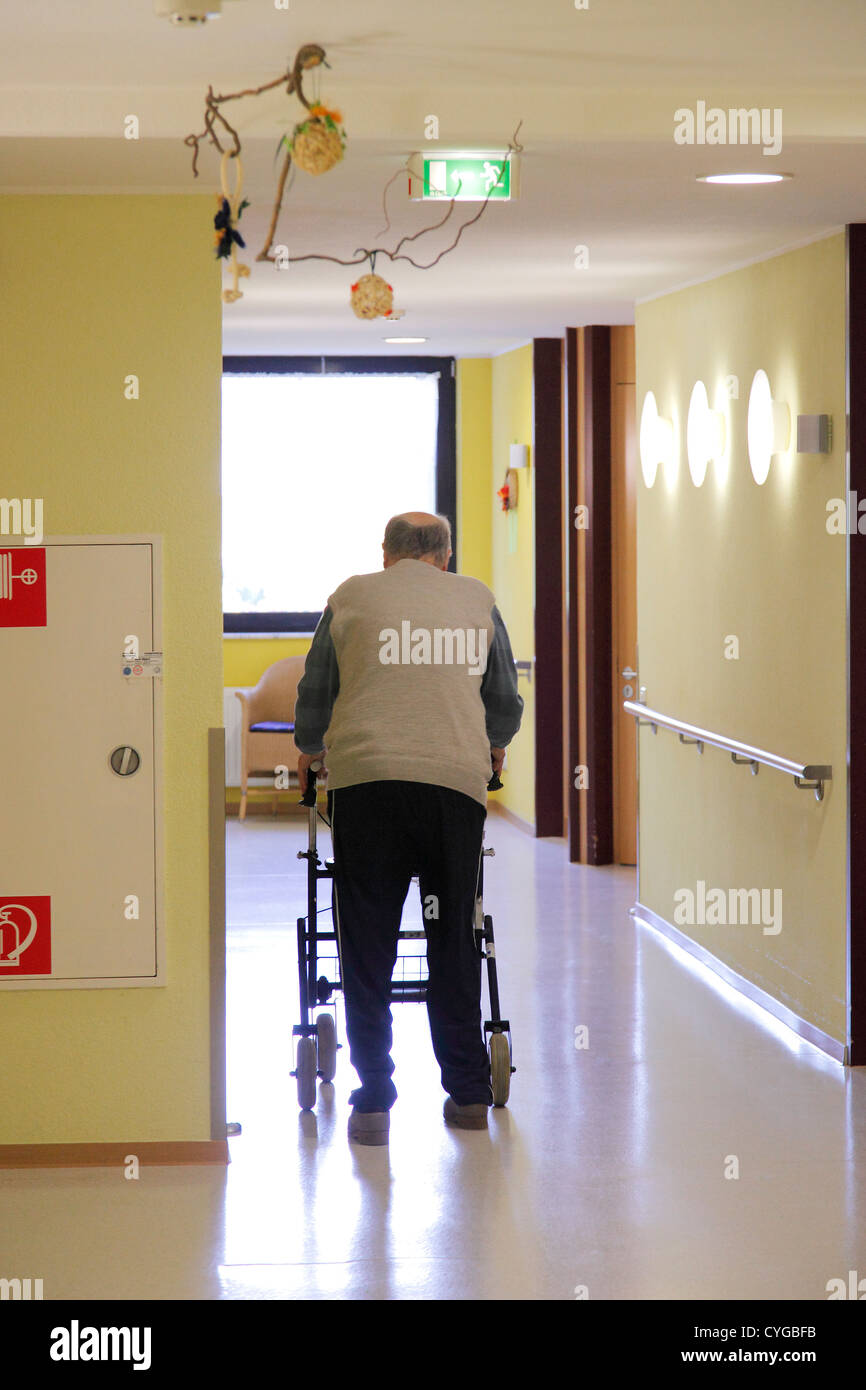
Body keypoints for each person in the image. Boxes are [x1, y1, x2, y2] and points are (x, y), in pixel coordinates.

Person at [293, 511, 524, 1145]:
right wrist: (493, 746)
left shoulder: (350, 596)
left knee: (366, 940)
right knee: (453, 933)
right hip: (452, 788)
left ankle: (372, 1100)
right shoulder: (478, 600)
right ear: (444, 557)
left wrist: (313, 749)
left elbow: (316, 694)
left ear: (387, 555)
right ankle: (469, 1094)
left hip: (366, 786)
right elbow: (502, 699)